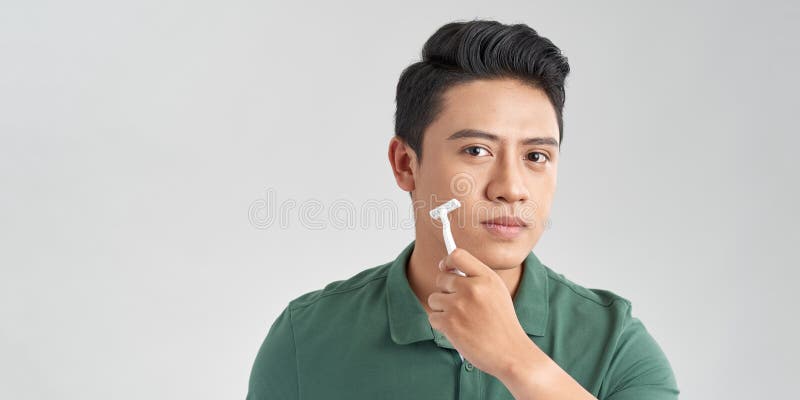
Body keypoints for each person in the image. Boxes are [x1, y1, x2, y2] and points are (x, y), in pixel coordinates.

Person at [246, 18, 679, 400]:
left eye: (536, 157)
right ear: (405, 164)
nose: (511, 188)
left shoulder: (616, 346)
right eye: (476, 150)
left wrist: (517, 360)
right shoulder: (306, 339)